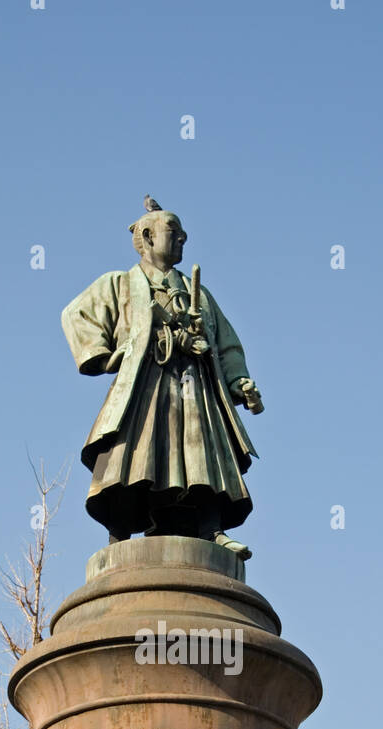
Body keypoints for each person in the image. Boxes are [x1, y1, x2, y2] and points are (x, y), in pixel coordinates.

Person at [61, 198, 264, 559]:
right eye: (174, 231)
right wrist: (108, 354)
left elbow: (228, 345)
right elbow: (76, 314)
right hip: (145, 383)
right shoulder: (121, 284)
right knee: (136, 452)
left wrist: (239, 382)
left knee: (199, 451)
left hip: (194, 387)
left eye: (183, 233)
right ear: (147, 236)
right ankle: (120, 535)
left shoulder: (198, 293)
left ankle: (209, 527)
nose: (182, 239)